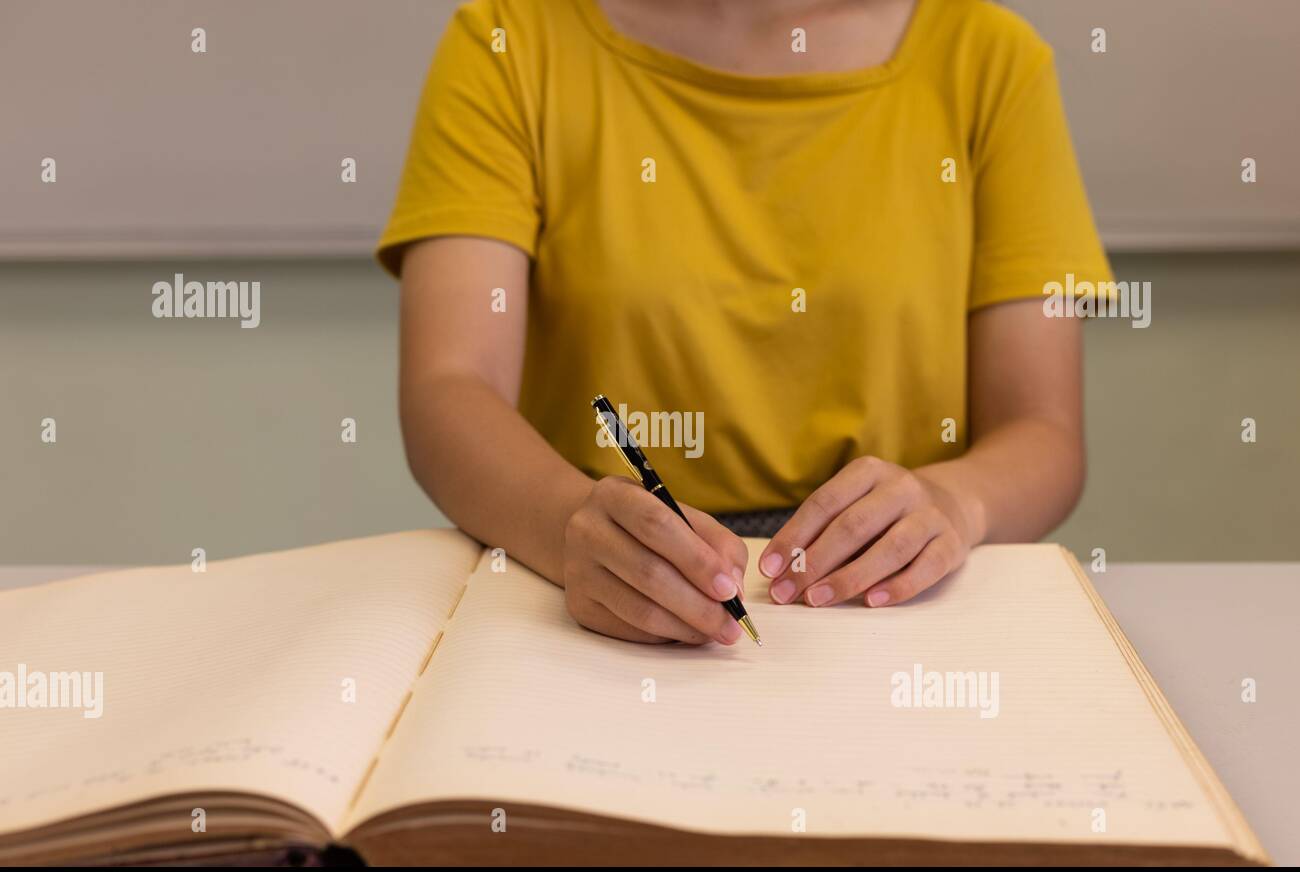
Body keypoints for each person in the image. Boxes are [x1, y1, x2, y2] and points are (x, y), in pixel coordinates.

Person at [378, 0, 1112, 647]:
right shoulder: (508, 41)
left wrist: (956, 501)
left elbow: (1042, 429)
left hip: (890, 613)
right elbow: (450, 386)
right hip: (596, 600)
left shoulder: (991, 59)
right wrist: (567, 521)